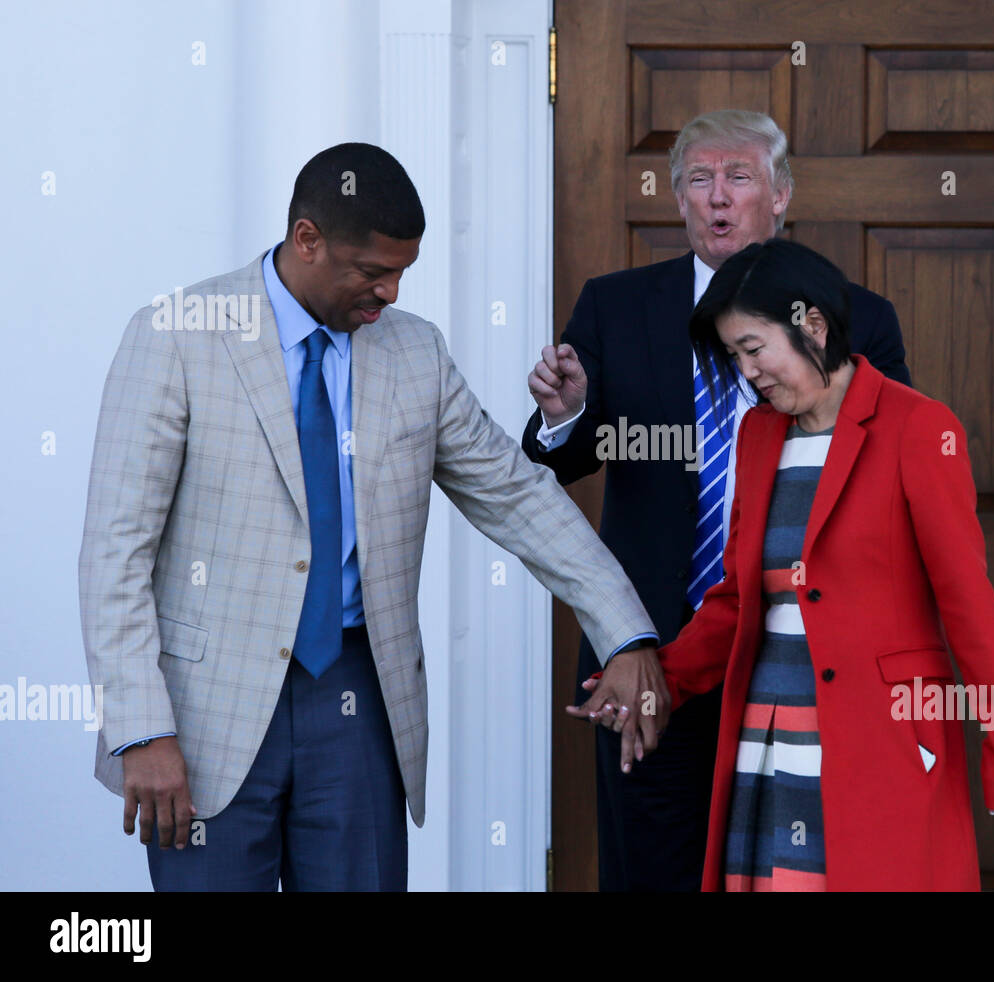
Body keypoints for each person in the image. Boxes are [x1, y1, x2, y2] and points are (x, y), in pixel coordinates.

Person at [78, 142, 667, 891]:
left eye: (401, 273)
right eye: (372, 271)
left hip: (357, 700)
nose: (389, 293)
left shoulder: (415, 353)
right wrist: (141, 729)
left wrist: (625, 629)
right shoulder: (177, 335)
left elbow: (516, 494)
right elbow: (114, 555)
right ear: (307, 241)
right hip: (202, 717)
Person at [573, 239, 994, 890]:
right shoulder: (760, 435)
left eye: (754, 348)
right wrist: (659, 682)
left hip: (883, 745)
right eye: (734, 356)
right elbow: (737, 601)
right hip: (771, 736)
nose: (747, 372)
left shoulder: (917, 428)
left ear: (812, 325)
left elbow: (968, 605)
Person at [524, 109, 911, 891]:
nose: (718, 198)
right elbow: (557, 463)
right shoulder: (616, 305)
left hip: (803, 654)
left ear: (782, 195)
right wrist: (564, 415)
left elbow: (889, 487)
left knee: (794, 871)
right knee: (653, 870)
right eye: (699, 180)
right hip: (648, 656)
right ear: (678, 200)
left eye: (739, 177)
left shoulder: (857, 317)